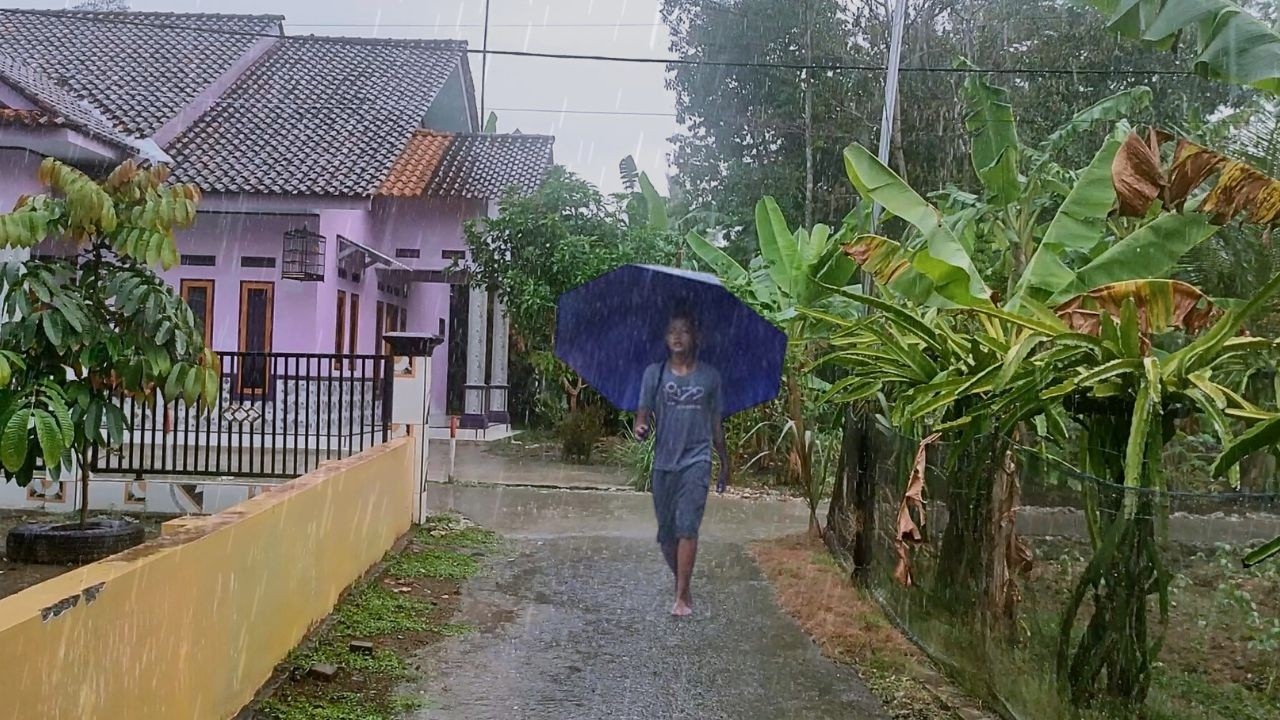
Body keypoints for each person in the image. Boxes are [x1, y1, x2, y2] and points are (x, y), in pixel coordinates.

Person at [634, 309, 729, 617]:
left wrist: (724, 463)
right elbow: (642, 415)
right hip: (664, 463)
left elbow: (716, 425)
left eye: (684, 330)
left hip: (696, 461)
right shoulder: (654, 374)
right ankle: (683, 583)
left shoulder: (710, 377)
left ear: (695, 337)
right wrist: (640, 428)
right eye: (672, 331)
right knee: (666, 535)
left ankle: (680, 597)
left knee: (687, 527)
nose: (677, 336)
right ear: (665, 338)